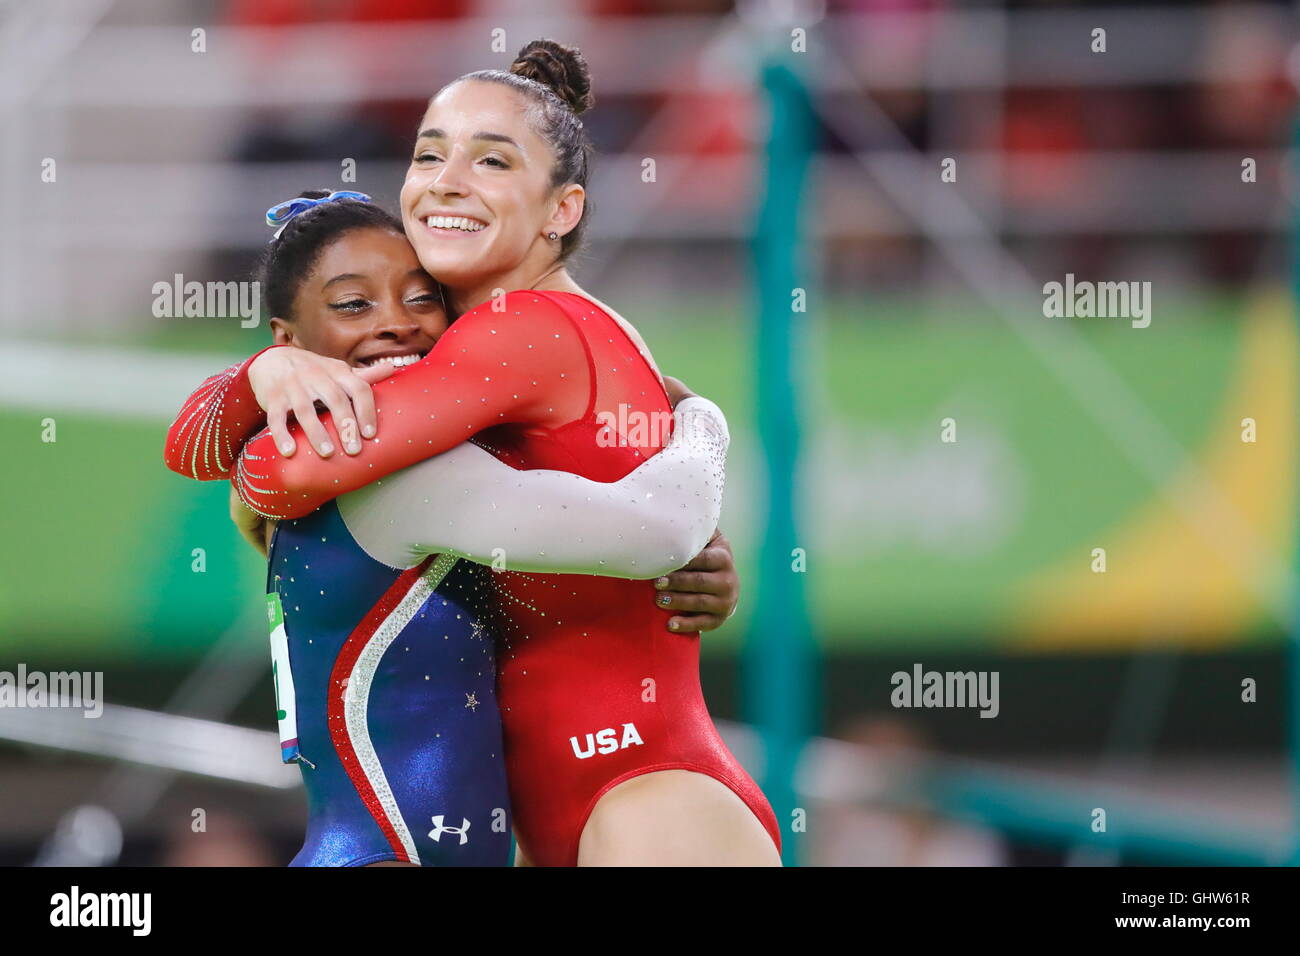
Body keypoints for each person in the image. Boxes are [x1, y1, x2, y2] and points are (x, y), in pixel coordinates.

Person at [206, 40, 781, 865]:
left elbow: (284, 472)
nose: (445, 179)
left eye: (492, 160)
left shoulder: (519, 328)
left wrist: (264, 387)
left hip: (648, 794)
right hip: (597, 797)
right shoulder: (495, 350)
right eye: (429, 153)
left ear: (562, 211)